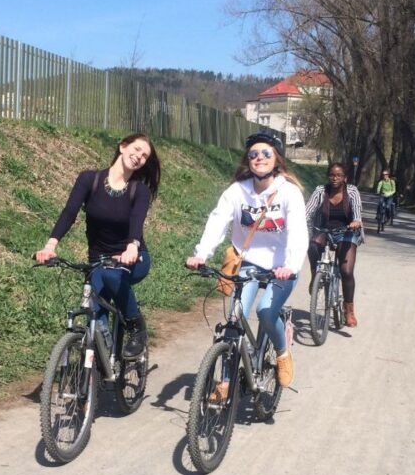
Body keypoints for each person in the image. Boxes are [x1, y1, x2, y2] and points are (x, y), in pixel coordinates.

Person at [186, 131, 308, 396]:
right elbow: (218, 220)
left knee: (265, 311)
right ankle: (225, 382)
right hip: (249, 263)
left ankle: (282, 351)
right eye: (253, 154)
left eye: (266, 153)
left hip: (282, 268)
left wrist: (290, 265)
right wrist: (202, 254)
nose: (259, 158)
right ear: (248, 160)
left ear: (276, 159)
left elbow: (298, 233)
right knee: (234, 318)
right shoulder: (238, 191)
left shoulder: (289, 192)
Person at [35, 133, 161, 358]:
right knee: (96, 319)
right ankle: (100, 366)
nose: (139, 157)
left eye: (144, 156)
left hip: (132, 258)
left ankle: (136, 327)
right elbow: (69, 212)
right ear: (123, 146)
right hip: (98, 261)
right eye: (136, 149)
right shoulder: (89, 180)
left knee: (111, 274)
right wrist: (50, 245)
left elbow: (137, 221)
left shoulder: (138, 190)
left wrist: (132, 247)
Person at [304, 163, 363, 327]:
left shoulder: (352, 191)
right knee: (313, 244)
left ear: (345, 178)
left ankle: (349, 310)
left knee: (346, 271)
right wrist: (299, 220)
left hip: (347, 231)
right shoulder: (320, 191)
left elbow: (357, 212)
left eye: (338, 175)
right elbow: (308, 211)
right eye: (331, 175)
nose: (334, 178)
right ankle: (315, 275)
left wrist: (356, 221)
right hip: (324, 230)